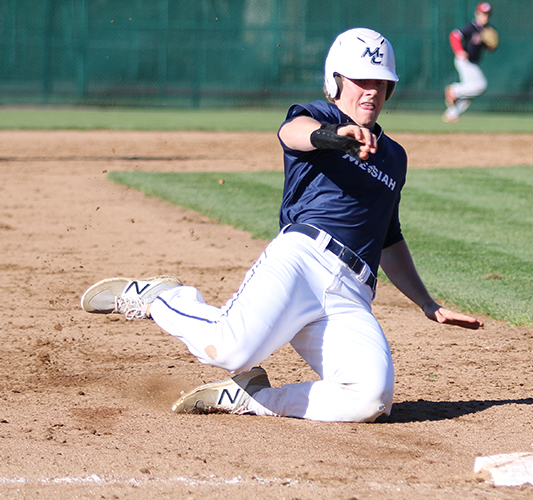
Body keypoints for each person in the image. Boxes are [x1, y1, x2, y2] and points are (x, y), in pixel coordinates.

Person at [80, 27, 482, 423]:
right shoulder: (321, 117)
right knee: (229, 350)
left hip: (351, 294)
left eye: (380, 82)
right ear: (336, 82)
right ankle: (162, 299)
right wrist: (333, 136)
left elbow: (389, 238)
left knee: (370, 397)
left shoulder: (394, 156)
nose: (371, 91)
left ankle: (254, 397)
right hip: (302, 261)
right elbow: (291, 134)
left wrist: (427, 304)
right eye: (361, 80)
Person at [443, 1, 498, 123]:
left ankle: (451, 114)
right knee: (481, 85)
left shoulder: (487, 29)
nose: (485, 17)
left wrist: (491, 46)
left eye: (487, 14)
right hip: (465, 61)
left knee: (470, 94)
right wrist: (459, 50)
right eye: (483, 14)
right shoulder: (471, 27)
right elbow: (454, 35)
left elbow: (490, 48)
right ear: (477, 14)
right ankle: (454, 90)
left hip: (474, 63)